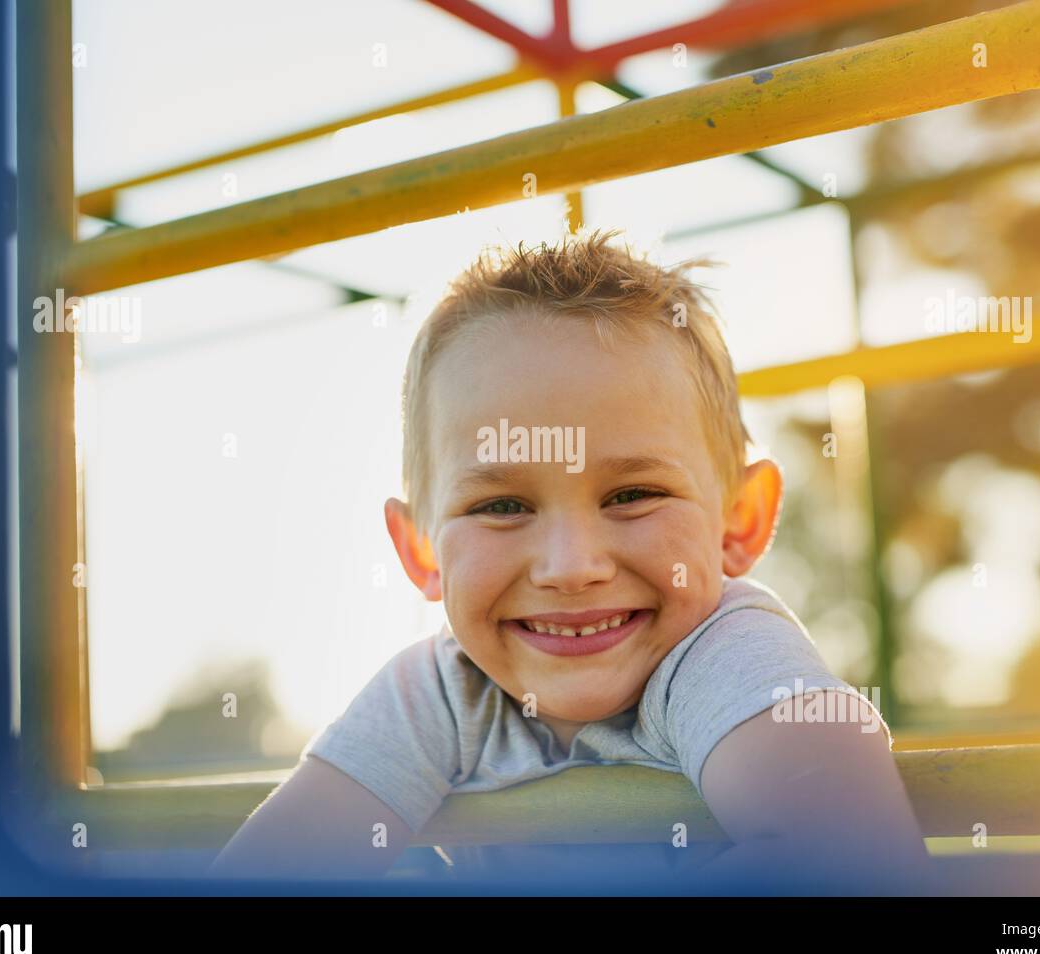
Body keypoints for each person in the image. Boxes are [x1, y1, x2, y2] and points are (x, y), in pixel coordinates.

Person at [210, 228, 931, 890]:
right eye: (501, 506)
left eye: (633, 493)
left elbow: (854, 859)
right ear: (422, 550)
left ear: (738, 519)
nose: (570, 565)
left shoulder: (723, 652)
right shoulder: (441, 688)